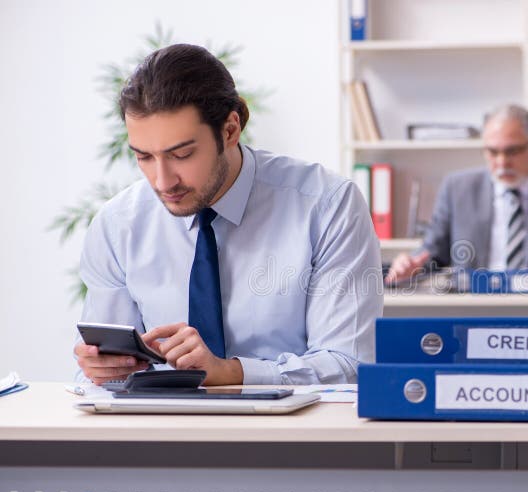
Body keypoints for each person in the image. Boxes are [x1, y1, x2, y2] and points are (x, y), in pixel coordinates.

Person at [74, 44, 382, 386]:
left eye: (182, 154)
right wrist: (104, 371)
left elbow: (350, 363)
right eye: (144, 157)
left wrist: (231, 373)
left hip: (293, 433)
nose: (162, 181)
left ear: (231, 130)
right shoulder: (117, 225)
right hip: (159, 430)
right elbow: (104, 371)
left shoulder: (327, 206)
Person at [385, 104, 528, 285]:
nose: (502, 162)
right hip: (473, 310)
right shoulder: (457, 188)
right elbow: (433, 253)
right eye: (492, 151)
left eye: (512, 151)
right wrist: (412, 266)